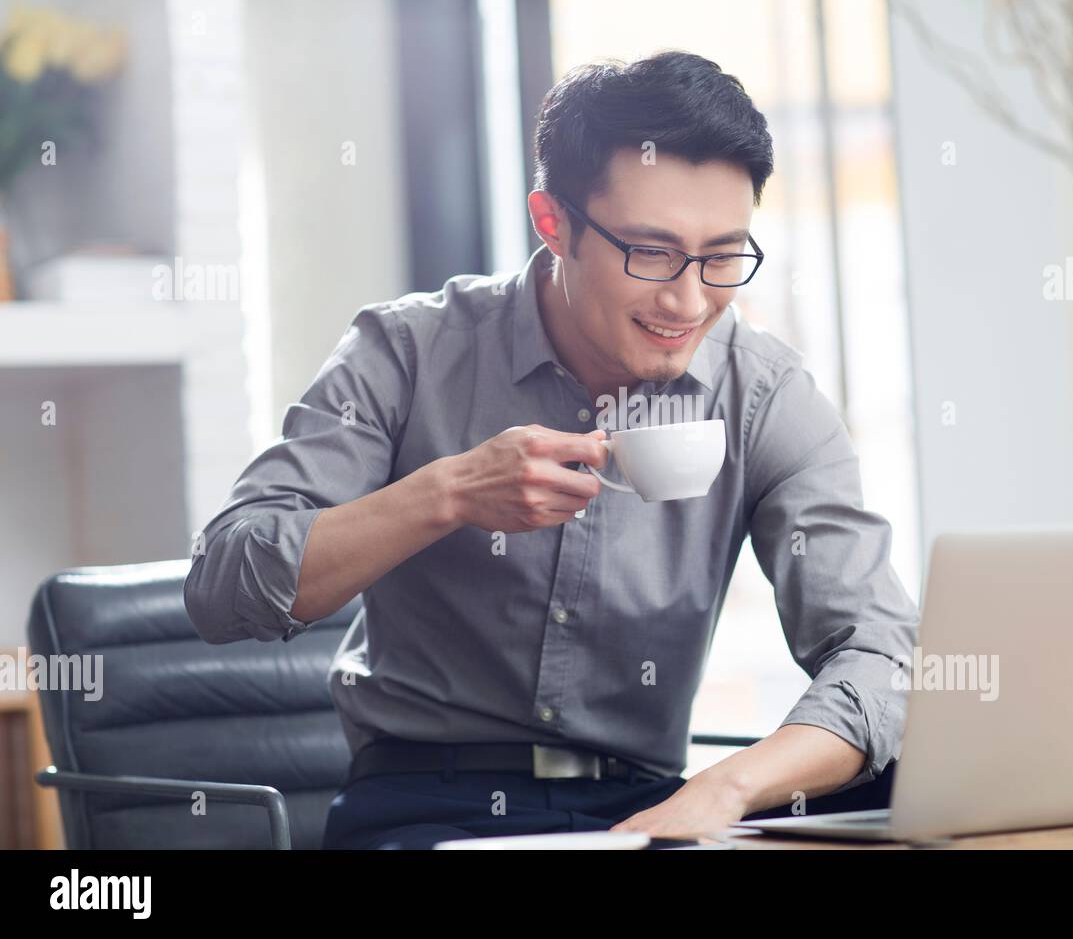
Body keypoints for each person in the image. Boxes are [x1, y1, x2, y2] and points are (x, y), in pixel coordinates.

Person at [184, 50, 918, 848]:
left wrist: (729, 788)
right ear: (553, 222)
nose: (688, 299)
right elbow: (223, 587)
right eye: (652, 252)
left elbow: (882, 654)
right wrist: (449, 494)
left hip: (646, 810)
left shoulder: (763, 392)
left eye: (721, 256)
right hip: (424, 806)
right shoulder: (408, 352)